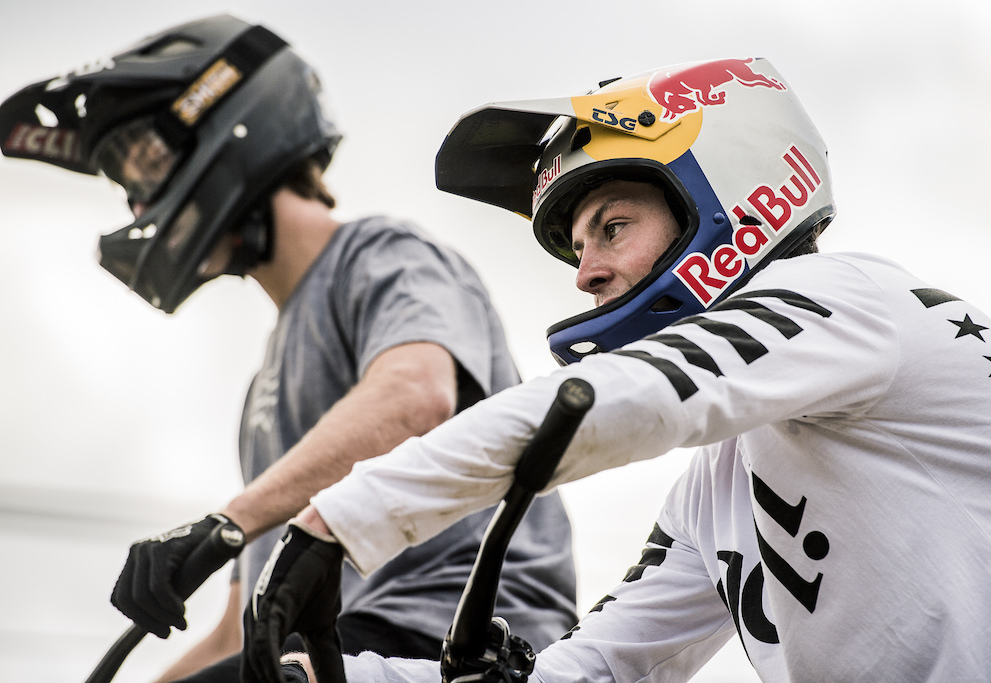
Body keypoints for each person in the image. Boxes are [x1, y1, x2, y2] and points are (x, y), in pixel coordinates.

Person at [240, 57, 991, 682]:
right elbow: (597, 667)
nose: (586, 273)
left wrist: (338, 523)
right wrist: (339, 674)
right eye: (578, 250)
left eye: (613, 227)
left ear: (730, 199)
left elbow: (615, 399)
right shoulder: (718, 488)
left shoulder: (850, 297)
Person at [0, 14, 578, 683]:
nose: (137, 203)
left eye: (146, 162)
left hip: (459, 631)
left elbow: (417, 393)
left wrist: (221, 523)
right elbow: (237, 626)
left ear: (235, 124)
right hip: (339, 641)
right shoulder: (264, 388)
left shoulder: (383, 252)